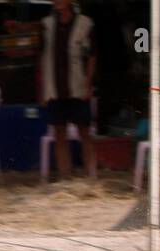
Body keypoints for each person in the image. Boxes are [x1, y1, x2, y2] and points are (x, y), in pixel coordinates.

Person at [40, 0, 97, 180]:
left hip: (77, 86)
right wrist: (43, 88)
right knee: (59, 132)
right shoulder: (47, 25)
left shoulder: (85, 24)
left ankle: (90, 176)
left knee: (84, 131)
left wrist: (88, 83)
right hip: (55, 87)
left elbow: (92, 56)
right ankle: (65, 176)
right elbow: (42, 57)